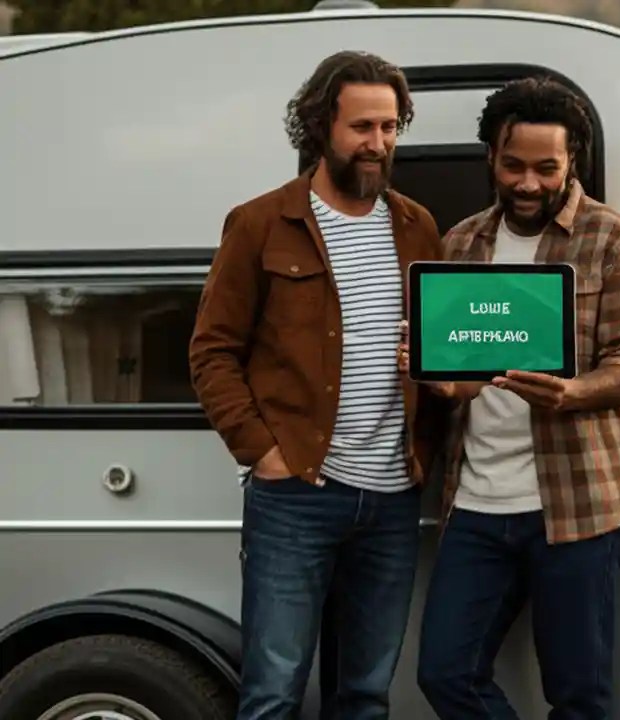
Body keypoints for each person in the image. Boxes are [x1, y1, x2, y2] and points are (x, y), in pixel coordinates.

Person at [189, 50, 449, 720]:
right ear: (320, 127)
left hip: (392, 497)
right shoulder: (260, 223)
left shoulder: (417, 225)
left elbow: (438, 347)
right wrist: (261, 452)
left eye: (391, 127)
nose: (379, 143)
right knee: (274, 691)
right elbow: (212, 351)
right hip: (297, 495)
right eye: (362, 127)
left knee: (364, 695)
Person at [401, 76, 620, 719]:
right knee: (444, 674)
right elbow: (460, 377)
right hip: (478, 506)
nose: (528, 183)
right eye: (513, 165)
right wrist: (438, 380)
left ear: (572, 163)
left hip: (579, 506)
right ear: (491, 156)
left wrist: (571, 393)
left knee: (579, 695)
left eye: (547, 168)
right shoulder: (459, 244)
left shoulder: (614, 239)